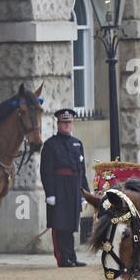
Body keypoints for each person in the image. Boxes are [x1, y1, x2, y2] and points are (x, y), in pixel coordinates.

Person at [40, 108, 89, 267]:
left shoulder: (77, 143)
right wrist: (50, 193)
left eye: (69, 122)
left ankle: (72, 257)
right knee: (59, 223)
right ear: (58, 124)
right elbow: (46, 171)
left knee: (71, 224)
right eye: (64, 122)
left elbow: (82, 171)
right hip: (59, 188)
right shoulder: (50, 144)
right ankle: (62, 257)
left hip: (74, 187)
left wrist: (85, 193)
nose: (67, 125)